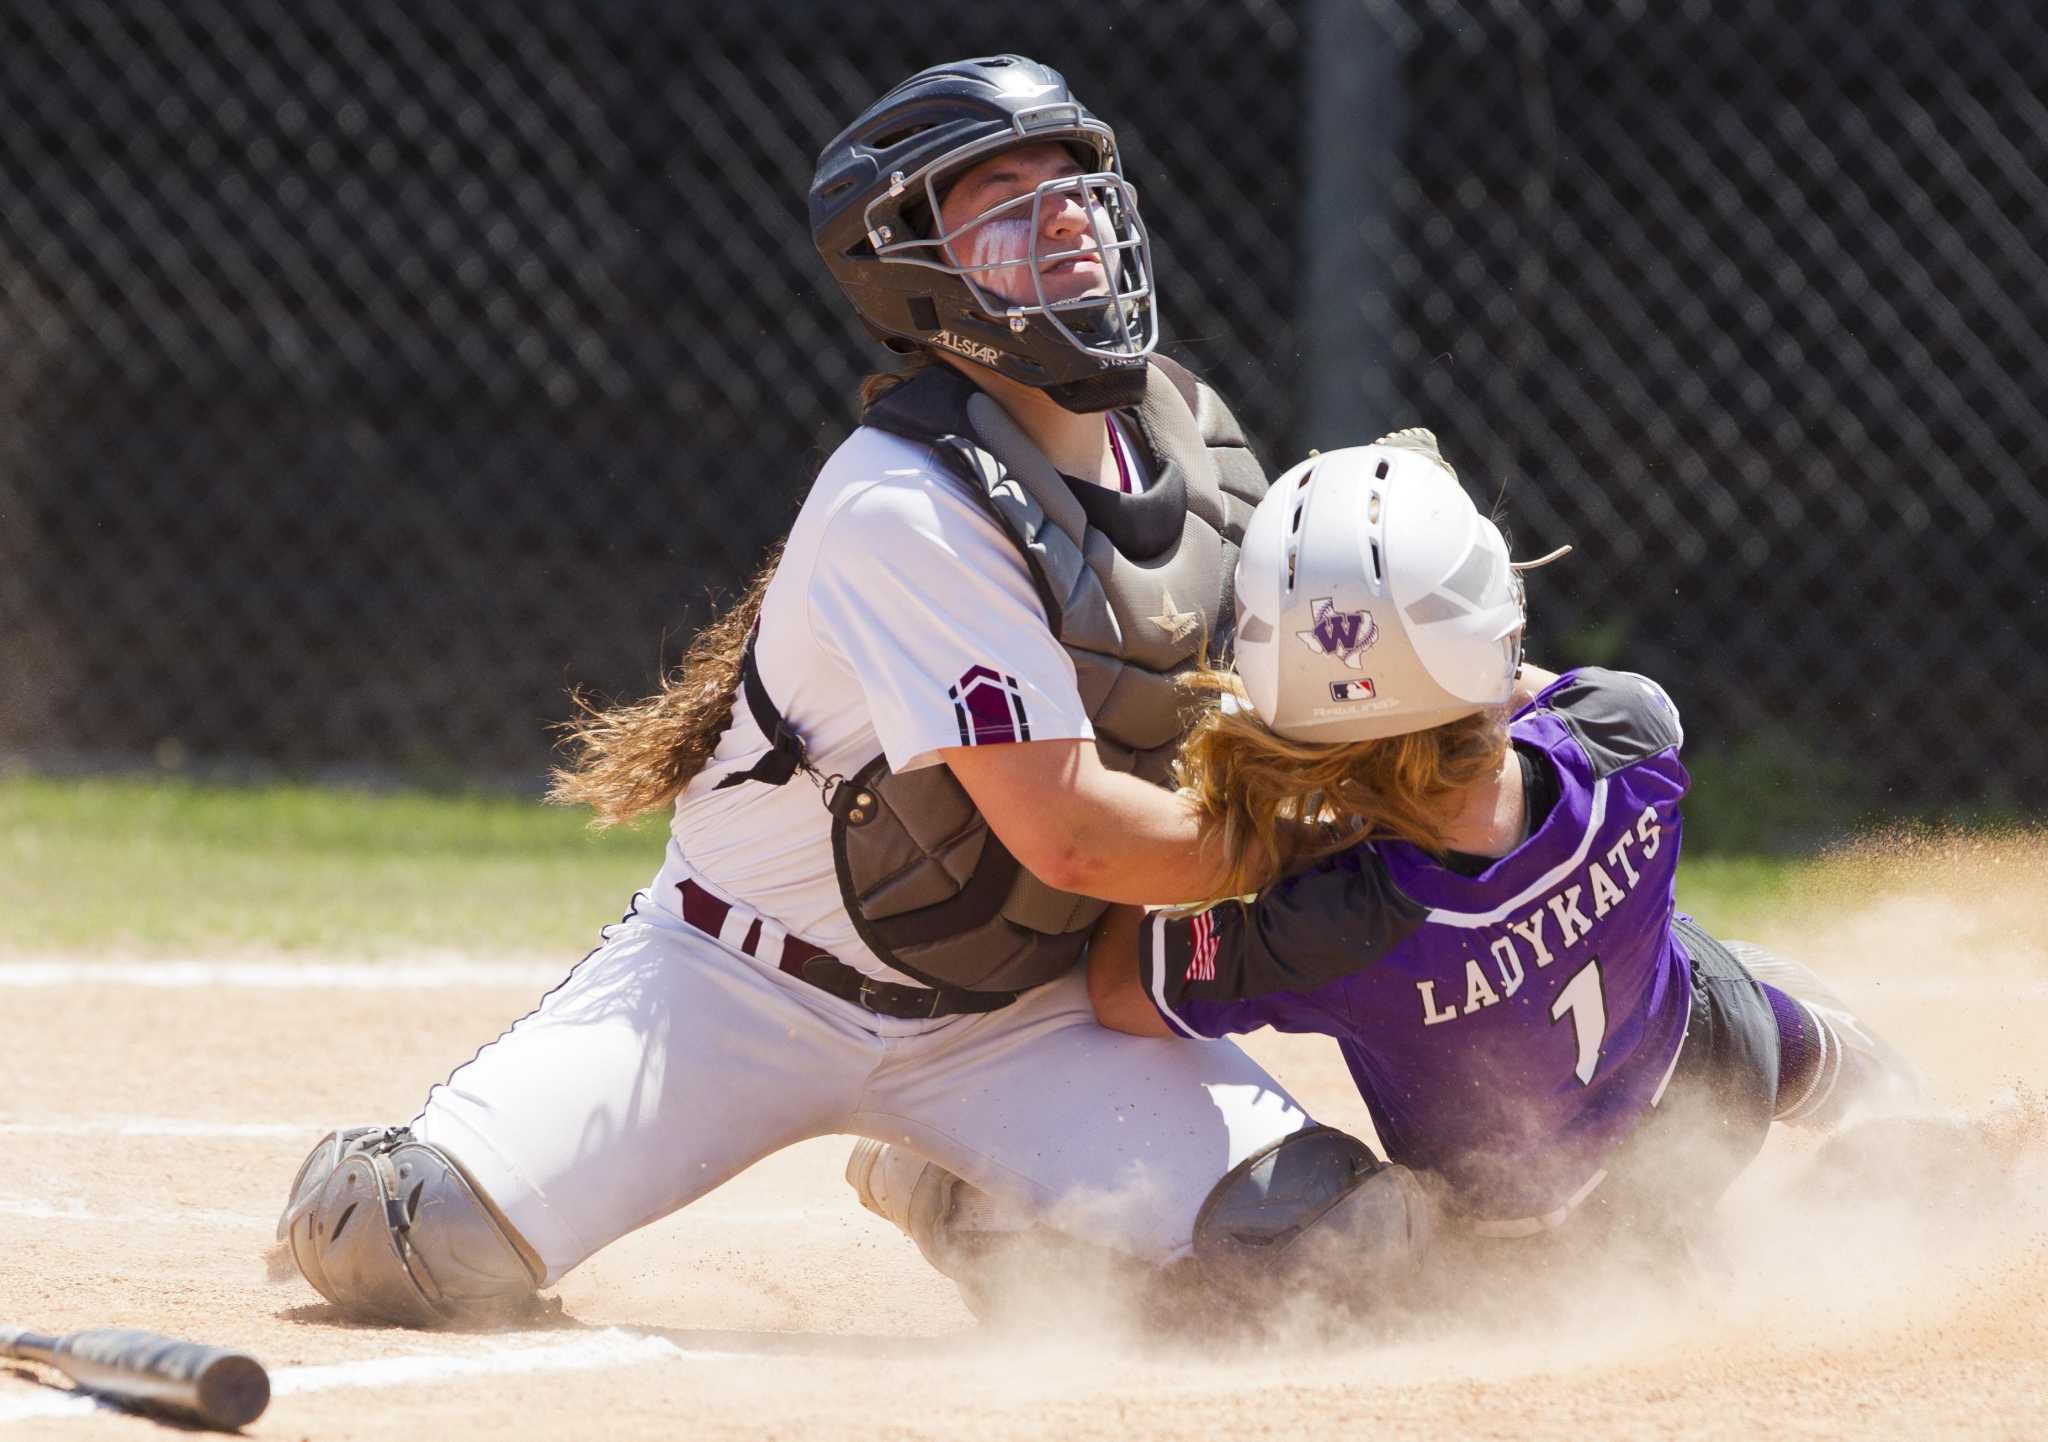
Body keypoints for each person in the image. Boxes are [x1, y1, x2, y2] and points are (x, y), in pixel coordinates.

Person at [270, 55, 1431, 1328]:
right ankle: (367, 1189)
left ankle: (961, 1186)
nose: (1066, 220)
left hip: (1016, 1018)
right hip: (743, 987)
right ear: (916, 270)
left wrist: (1480, 732)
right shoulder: (904, 501)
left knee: (1335, 1255)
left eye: (1076, 188)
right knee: (408, 1238)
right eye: (1005, 200)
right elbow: (1075, 833)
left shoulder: (1186, 438)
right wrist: (1353, 830)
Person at [1080, 431, 1924, 1251]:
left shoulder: (1325, 922)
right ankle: (1914, 1121)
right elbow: (1524, 698)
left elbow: (1121, 990)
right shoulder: (1626, 736)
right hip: (1721, 1081)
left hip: (1527, 1238)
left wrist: (1189, 784)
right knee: (1734, 978)